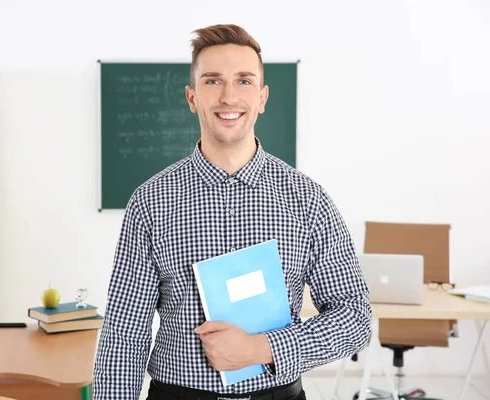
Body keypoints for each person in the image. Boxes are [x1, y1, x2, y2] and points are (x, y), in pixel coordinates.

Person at [93, 24, 372, 400]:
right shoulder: (151, 201)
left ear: (262, 97)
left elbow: (354, 316)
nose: (228, 96)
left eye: (243, 81)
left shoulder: (308, 200)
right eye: (212, 81)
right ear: (192, 97)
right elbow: (125, 333)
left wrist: (263, 348)